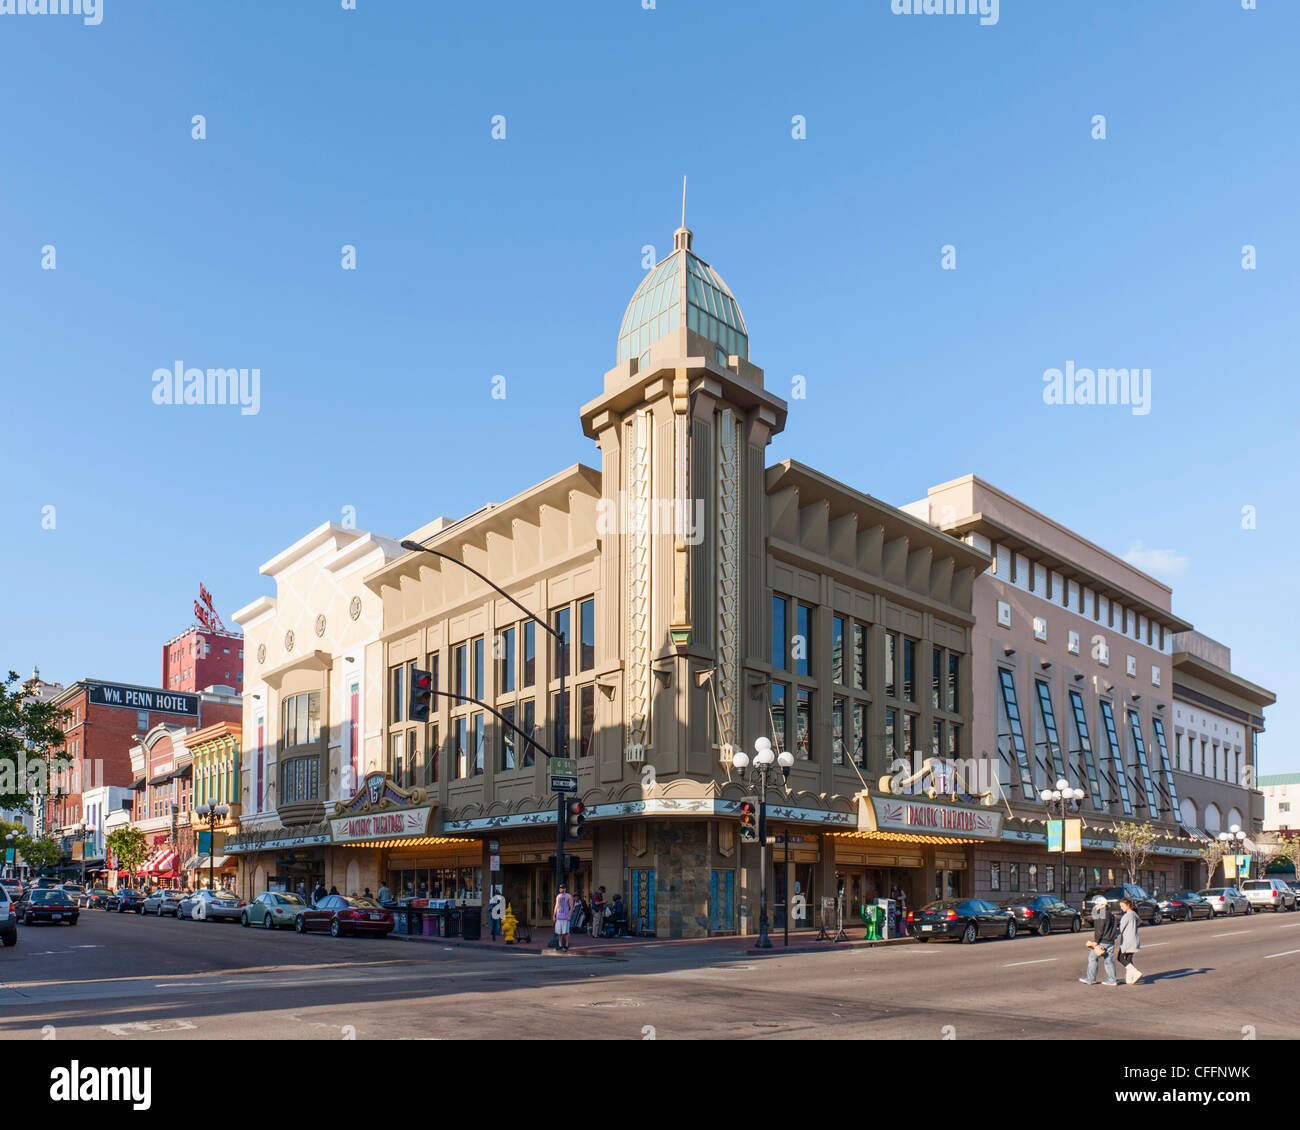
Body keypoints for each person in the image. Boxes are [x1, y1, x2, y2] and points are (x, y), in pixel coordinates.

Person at [1080, 895, 1120, 986]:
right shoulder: (1110, 914)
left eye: (1097, 904)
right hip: (1110, 941)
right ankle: (1112, 979)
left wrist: (1096, 942)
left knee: (1092, 958)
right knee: (1108, 960)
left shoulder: (1101, 914)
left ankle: (1091, 979)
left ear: (1103, 905)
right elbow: (1115, 928)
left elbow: (1099, 929)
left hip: (1102, 941)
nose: (1095, 906)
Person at [1117, 897, 1142, 984]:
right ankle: (1129, 978)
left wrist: (1111, 937)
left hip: (1127, 941)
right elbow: (1139, 922)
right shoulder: (1134, 914)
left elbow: (1120, 929)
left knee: (1120, 958)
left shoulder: (1126, 916)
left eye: (1122, 906)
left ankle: (1135, 972)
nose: (1121, 908)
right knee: (1129, 959)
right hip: (1134, 939)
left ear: (1128, 905)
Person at [553, 884, 574, 951]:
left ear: (565, 889)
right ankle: (560, 945)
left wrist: (569, 916)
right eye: (560, 888)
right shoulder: (558, 896)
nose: (562, 889)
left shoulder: (569, 896)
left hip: (565, 917)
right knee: (559, 932)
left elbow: (571, 907)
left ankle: (566, 945)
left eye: (563, 888)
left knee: (566, 932)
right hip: (559, 917)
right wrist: (554, 915)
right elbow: (556, 906)